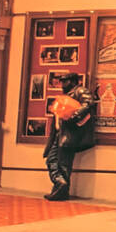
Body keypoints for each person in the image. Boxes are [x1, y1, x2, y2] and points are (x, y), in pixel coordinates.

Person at [43, 72, 96, 201]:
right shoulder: (67, 95)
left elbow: (88, 103)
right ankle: (60, 185)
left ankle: (61, 187)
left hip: (70, 134)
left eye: (65, 81)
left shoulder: (80, 91)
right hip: (61, 134)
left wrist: (74, 116)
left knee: (64, 163)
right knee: (52, 160)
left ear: (72, 81)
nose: (62, 84)